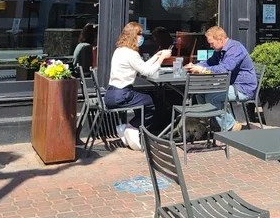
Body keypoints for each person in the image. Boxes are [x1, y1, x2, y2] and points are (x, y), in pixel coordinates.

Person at [106, 22, 171, 150]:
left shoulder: (119, 51)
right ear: (133, 35)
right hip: (122, 95)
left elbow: (142, 66)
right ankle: (131, 127)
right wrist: (162, 57)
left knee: (147, 99)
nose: (142, 37)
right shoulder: (131, 53)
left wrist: (156, 56)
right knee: (156, 104)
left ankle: (131, 127)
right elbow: (148, 71)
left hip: (111, 94)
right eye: (140, 34)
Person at [185, 26, 257, 132]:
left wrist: (202, 70)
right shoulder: (220, 50)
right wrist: (195, 66)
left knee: (212, 96)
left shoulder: (235, 49)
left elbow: (225, 69)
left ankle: (232, 126)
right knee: (200, 92)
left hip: (243, 88)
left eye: (212, 43)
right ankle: (210, 123)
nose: (210, 46)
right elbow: (209, 63)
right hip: (229, 85)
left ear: (221, 39)